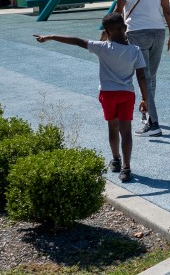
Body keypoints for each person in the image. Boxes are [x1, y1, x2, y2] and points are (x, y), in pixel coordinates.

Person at [33, 13, 149, 182]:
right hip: (127, 95)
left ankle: (115, 159)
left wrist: (50, 37)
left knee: (112, 128)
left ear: (107, 33)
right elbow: (141, 77)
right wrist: (144, 99)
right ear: (125, 29)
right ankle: (126, 168)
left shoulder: (102, 47)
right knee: (126, 132)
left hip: (107, 94)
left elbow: (76, 40)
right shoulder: (135, 51)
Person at [113, 0, 170, 138]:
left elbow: (118, 10)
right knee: (151, 76)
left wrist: (109, 32)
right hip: (158, 31)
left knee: (144, 76)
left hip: (136, 32)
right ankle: (148, 111)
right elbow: (167, 10)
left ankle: (153, 122)